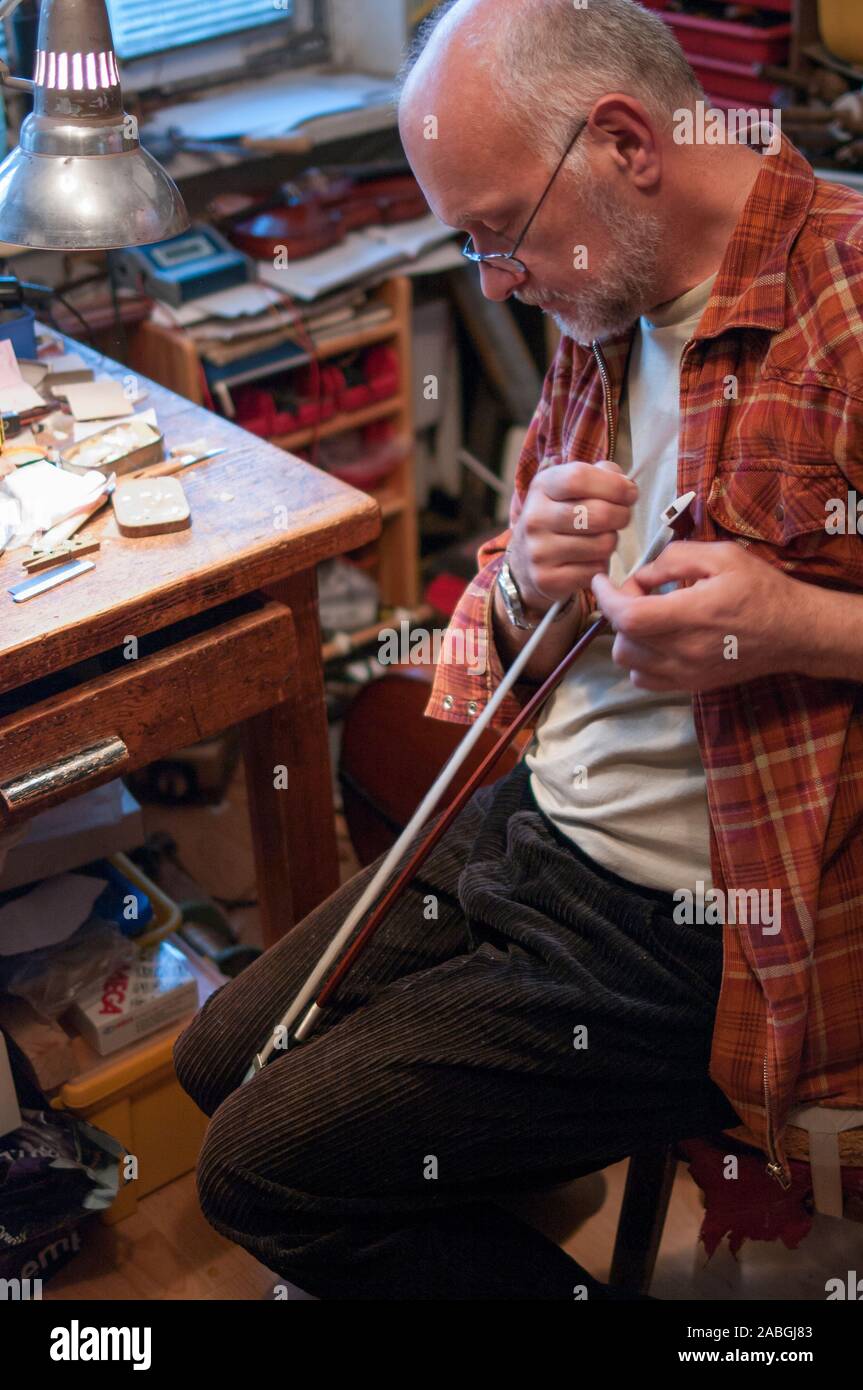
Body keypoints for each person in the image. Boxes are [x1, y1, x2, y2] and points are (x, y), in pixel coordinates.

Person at [174, 0, 863, 1300]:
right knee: (220, 1058)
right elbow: (504, 597)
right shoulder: (607, 286)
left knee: (259, 1169)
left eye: (497, 233)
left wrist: (795, 624)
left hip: (704, 925)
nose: (493, 280)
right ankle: (481, 1179)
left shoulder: (851, 301)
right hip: (544, 822)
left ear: (624, 142)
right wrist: (525, 584)